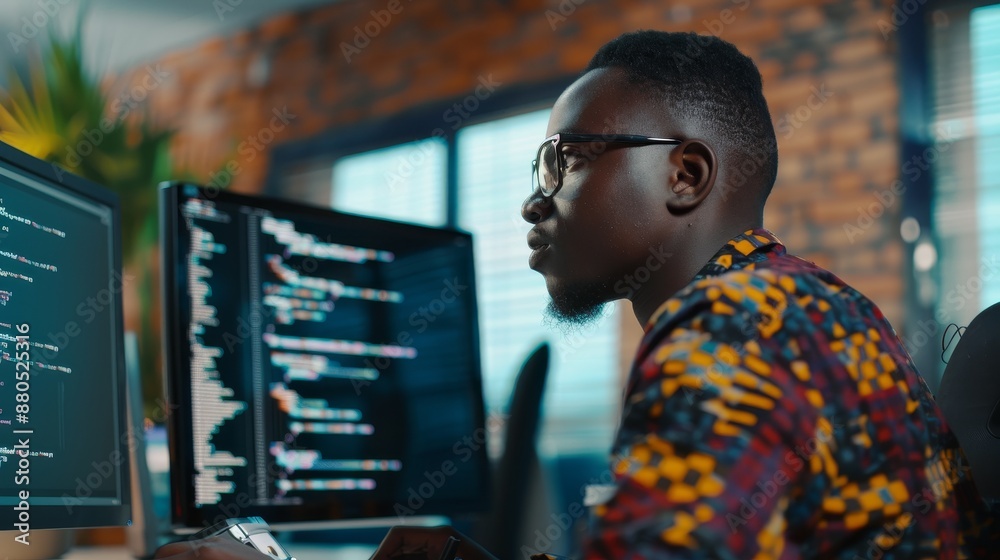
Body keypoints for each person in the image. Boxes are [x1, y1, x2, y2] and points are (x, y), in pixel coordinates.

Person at [155, 30, 1000, 560]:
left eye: (566, 160)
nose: (534, 198)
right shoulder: (819, 304)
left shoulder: (731, 326)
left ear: (685, 173)